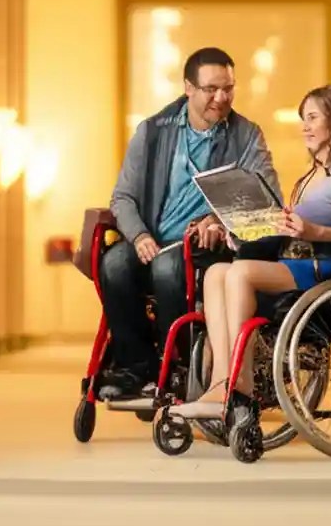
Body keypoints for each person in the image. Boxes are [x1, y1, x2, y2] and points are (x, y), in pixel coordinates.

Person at [169, 84, 331, 418]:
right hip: (295, 261)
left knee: (240, 272)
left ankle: (242, 384)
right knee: (216, 272)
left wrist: (313, 230)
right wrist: (241, 225)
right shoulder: (310, 177)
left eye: (312, 118)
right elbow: (287, 229)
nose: (304, 126)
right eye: (302, 119)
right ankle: (221, 380)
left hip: (327, 266)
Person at [97, 47, 281, 401]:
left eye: (228, 88)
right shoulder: (153, 132)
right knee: (114, 263)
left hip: (204, 247)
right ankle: (136, 367)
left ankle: (176, 367)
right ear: (188, 88)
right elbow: (123, 198)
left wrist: (220, 220)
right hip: (152, 237)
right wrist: (138, 236)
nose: (221, 97)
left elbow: (266, 198)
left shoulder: (247, 136)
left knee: (168, 269)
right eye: (211, 89)